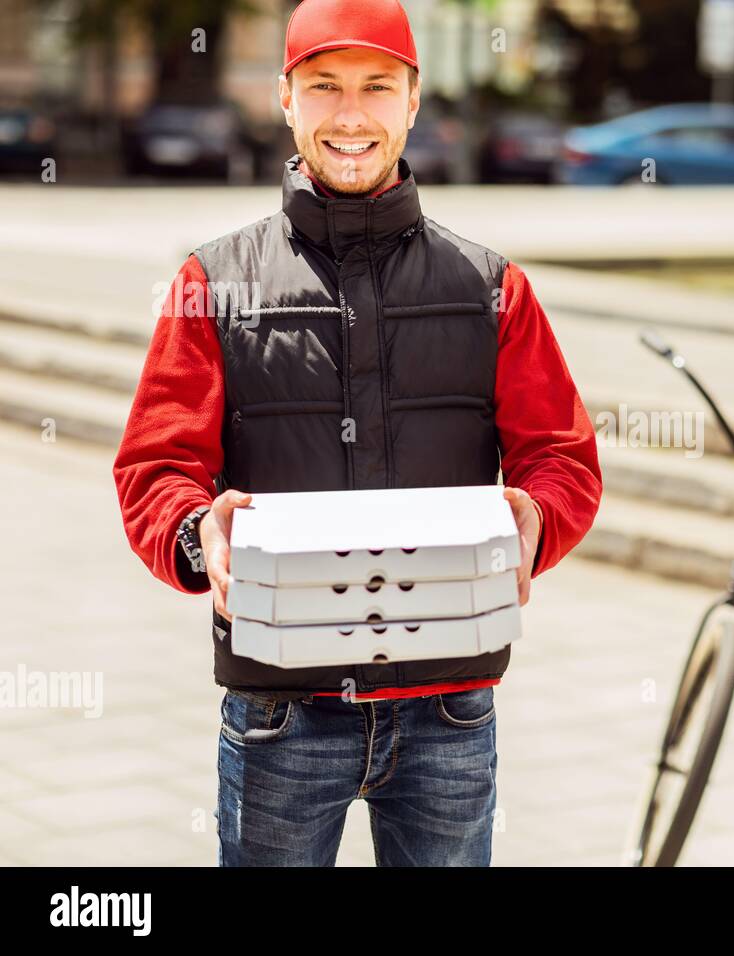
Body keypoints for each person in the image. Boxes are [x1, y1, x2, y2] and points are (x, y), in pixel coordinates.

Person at [111, 0, 602, 866]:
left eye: (377, 86)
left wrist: (538, 517)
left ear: (413, 103)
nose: (350, 113)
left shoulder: (495, 288)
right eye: (323, 85)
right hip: (280, 714)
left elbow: (561, 456)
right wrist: (196, 537)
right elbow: (157, 466)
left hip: (452, 708)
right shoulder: (209, 283)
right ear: (285, 99)